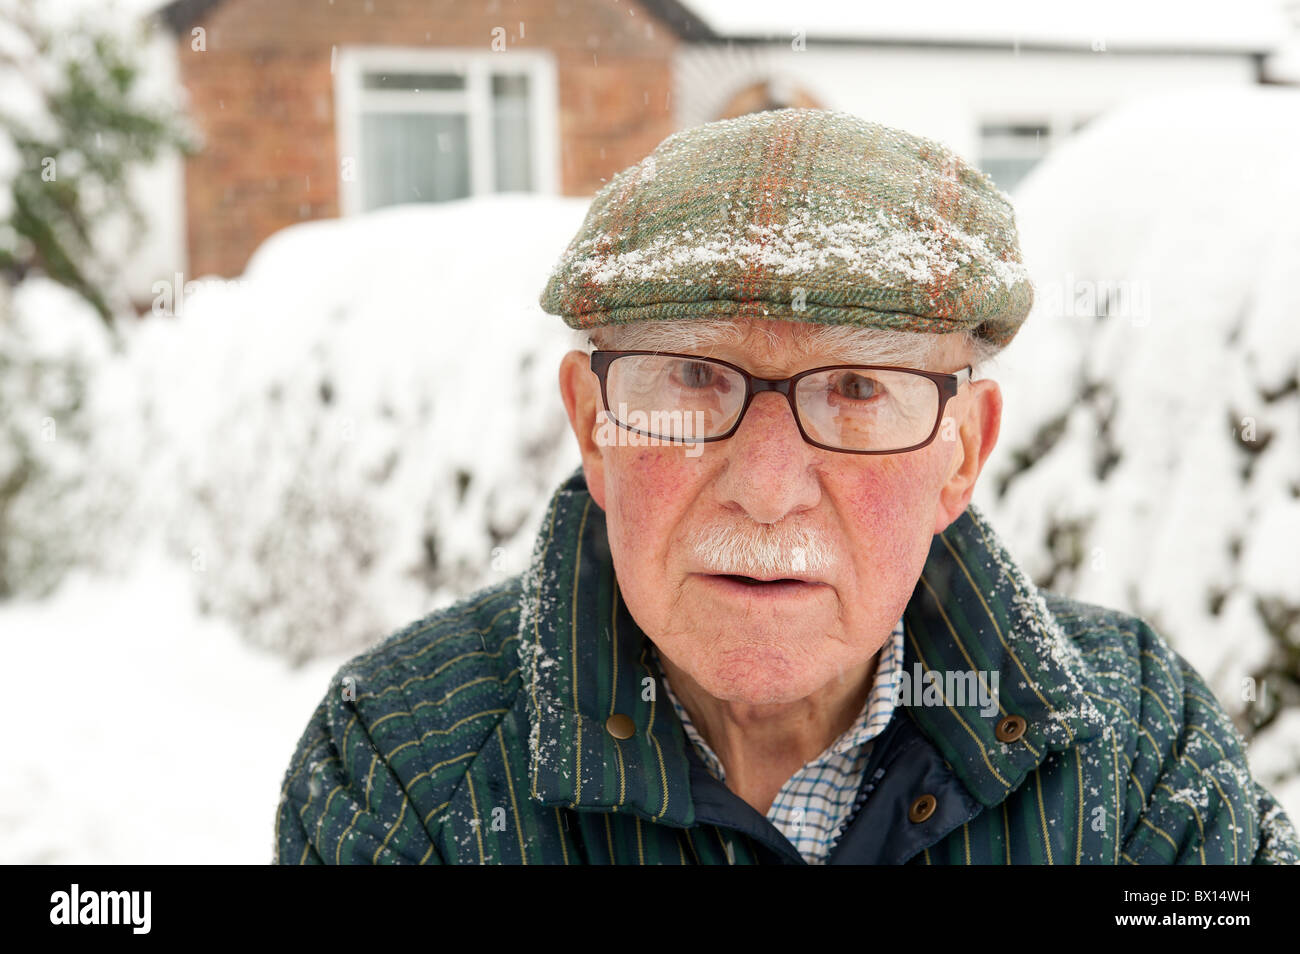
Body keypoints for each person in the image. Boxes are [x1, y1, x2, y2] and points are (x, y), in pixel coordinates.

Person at [274, 107, 1299, 864]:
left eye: (856, 389)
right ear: (591, 423)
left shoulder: (1134, 755)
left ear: (960, 452)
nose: (766, 490)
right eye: (691, 377)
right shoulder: (407, 764)